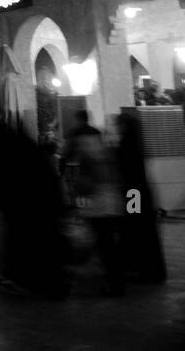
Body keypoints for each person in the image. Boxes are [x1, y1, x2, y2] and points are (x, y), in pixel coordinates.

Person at [0, 110, 68, 298]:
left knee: (32, 243)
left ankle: (39, 283)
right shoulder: (22, 146)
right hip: (42, 203)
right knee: (40, 243)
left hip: (30, 207)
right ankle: (48, 283)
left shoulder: (5, 152)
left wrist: (2, 205)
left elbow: (8, 183)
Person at [63, 111, 124, 296]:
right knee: (105, 242)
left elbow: (86, 183)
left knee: (102, 243)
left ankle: (113, 284)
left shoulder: (81, 144)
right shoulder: (102, 146)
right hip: (111, 203)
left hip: (99, 205)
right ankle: (112, 280)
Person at [114, 112, 166, 284]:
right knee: (142, 228)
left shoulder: (126, 144)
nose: (117, 128)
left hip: (132, 193)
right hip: (139, 191)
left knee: (134, 225)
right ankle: (146, 268)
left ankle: (138, 266)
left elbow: (125, 170)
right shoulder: (136, 142)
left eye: (119, 125)